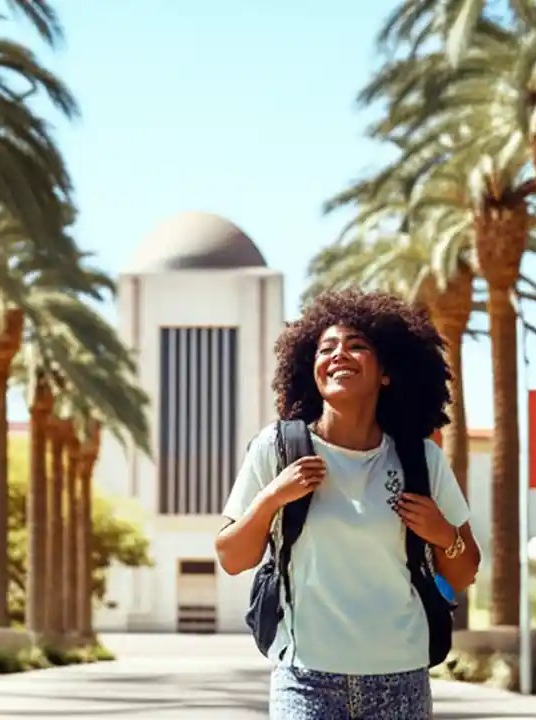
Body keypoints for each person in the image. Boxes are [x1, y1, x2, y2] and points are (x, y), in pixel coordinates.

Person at [215, 289, 481, 719]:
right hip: (305, 678)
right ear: (312, 370)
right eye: (326, 349)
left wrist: (442, 533)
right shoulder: (278, 449)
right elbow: (231, 557)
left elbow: (465, 571)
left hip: (401, 680)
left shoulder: (420, 459)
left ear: (386, 373)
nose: (339, 354)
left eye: (356, 345)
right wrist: (272, 498)